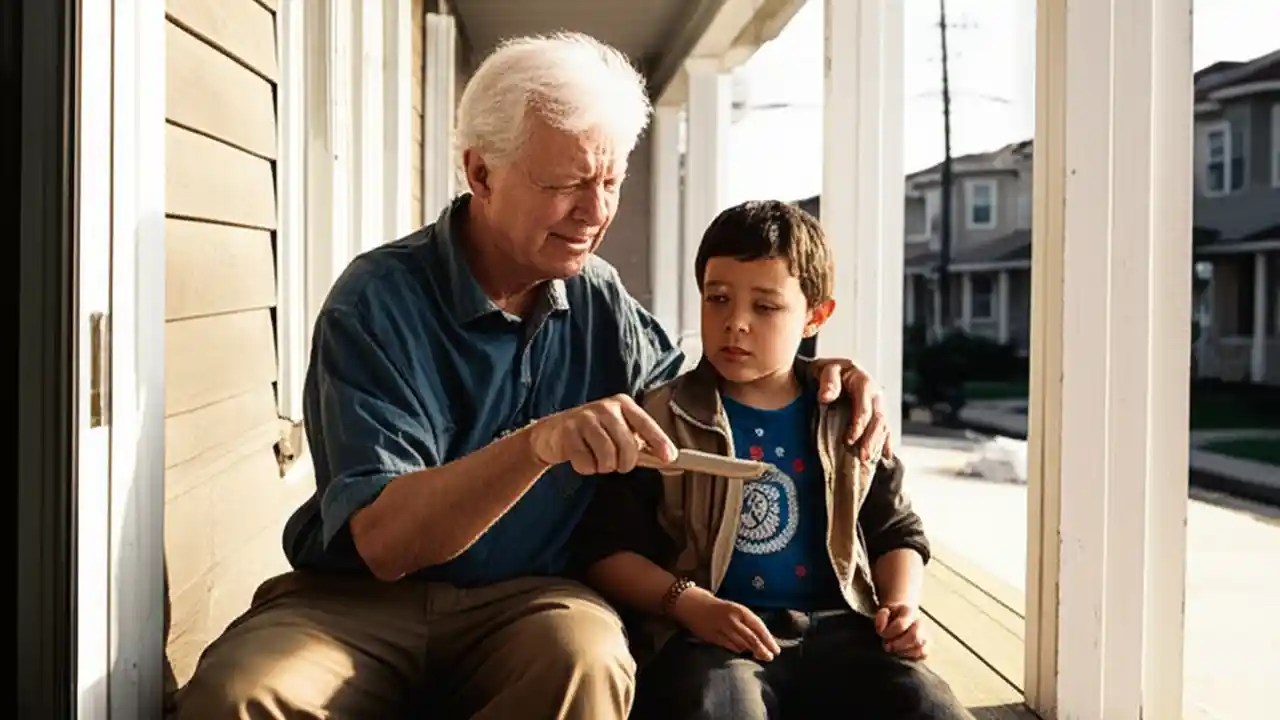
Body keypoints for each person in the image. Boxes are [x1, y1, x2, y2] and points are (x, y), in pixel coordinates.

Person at [176, 34, 893, 720]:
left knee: (588, 662)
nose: (595, 211)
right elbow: (387, 544)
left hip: (536, 600)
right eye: (566, 184)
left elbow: (703, 395)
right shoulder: (375, 301)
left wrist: (816, 375)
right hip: (358, 603)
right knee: (241, 693)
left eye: (609, 181)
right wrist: (537, 444)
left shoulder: (598, 299)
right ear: (480, 172)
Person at [573, 200, 973, 719]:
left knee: (928, 704)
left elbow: (895, 529)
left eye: (765, 306)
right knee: (722, 707)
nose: (735, 323)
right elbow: (607, 549)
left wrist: (901, 608)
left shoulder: (847, 417)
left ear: (816, 315)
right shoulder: (661, 419)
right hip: (715, 638)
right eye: (718, 298)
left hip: (843, 629)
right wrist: (689, 604)